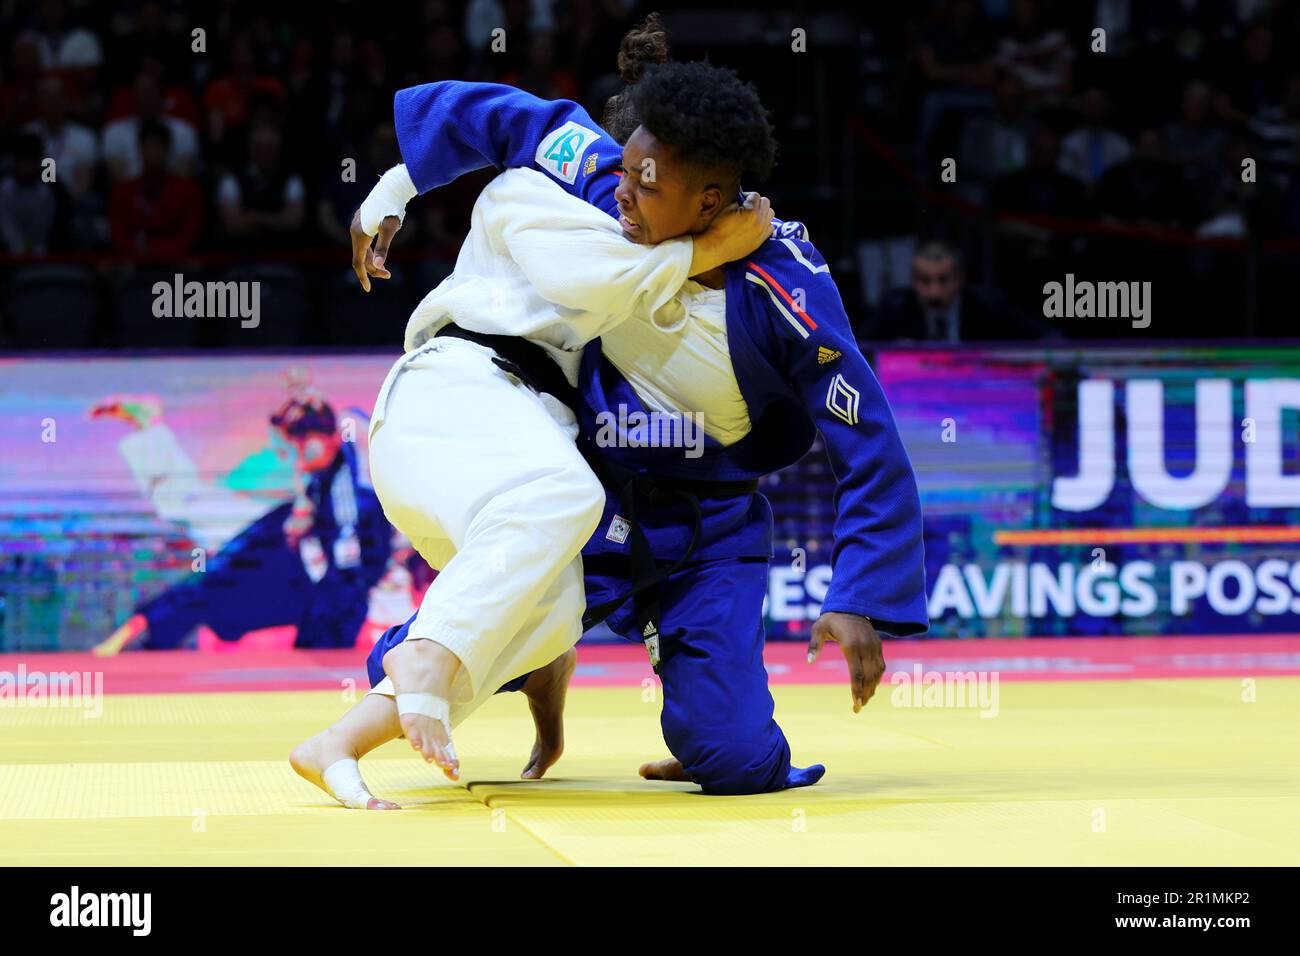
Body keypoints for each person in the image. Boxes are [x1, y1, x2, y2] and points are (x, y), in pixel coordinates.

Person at [289, 123, 774, 806]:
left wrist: (548, 710)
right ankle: (422, 652)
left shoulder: (627, 256)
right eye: (627, 173)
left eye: (648, 182)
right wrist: (717, 243)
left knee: (552, 607)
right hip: (450, 396)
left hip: (489, 448)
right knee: (568, 494)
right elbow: (604, 274)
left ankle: (339, 741)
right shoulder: (531, 197)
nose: (627, 195)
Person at [92, 390, 392, 654]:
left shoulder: (359, 473)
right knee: (207, 555)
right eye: (289, 445)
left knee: (200, 529)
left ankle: (149, 427)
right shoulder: (323, 467)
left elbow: (354, 562)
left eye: (300, 444)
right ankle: (140, 629)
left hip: (326, 577)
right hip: (301, 555)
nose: (293, 454)